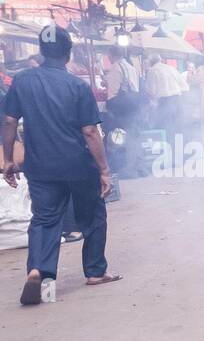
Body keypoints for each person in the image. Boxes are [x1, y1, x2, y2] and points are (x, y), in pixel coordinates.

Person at [2, 25, 120, 305]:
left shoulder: (22, 81)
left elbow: (8, 121)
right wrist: (104, 170)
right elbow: (90, 131)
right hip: (78, 164)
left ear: (41, 52)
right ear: (68, 54)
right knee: (92, 215)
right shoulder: (78, 86)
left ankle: (40, 274)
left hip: (40, 166)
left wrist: (8, 159)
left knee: (44, 220)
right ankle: (94, 272)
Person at [144, 54, 186, 138]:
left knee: (165, 130)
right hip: (178, 101)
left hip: (165, 102)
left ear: (150, 62)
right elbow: (184, 86)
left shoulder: (152, 71)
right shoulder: (171, 68)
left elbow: (150, 91)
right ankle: (178, 148)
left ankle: (167, 147)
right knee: (178, 129)